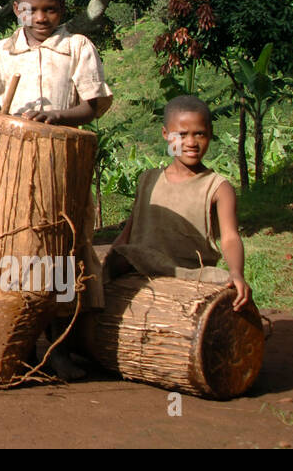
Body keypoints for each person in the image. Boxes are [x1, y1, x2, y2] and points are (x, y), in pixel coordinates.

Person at [0, 0, 112, 379]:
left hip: (62, 169)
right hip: (13, 175)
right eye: (31, 10)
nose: (40, 18)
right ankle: (20, 343)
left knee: (60, 251)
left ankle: (59, 346)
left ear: (61, 8)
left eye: (49, 10)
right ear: (17, 9)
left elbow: (91, 106)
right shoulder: (2, 52)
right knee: (17, 253)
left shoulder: (77, 48)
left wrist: (57, 115)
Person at [104, 95, 252, 310]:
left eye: (199, 134)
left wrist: (237, 272)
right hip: (139, 265)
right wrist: (107, 262)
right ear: (166, 134)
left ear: (210, 133)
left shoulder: (217, 187)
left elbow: (230, 237)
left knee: (226, 288)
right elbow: (129, 231)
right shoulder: (148, 180)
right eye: (182, 135)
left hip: (191, 274)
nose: (191, 143)